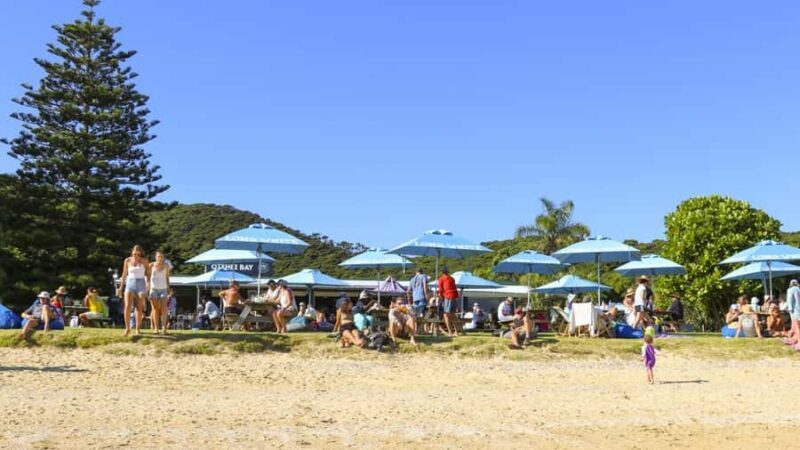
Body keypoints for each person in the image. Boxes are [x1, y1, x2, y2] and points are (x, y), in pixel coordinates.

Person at [117, 245, 150, 336]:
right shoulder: (127, 260)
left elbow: (148, 274)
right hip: (130, 282)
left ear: (140, 253)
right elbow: (124, 274)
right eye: (134, 254)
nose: (136, 256)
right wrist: (121, 287)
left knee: (139, 307)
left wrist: (148, 283)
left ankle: (138, 328)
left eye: (138, 254)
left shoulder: (144, 261)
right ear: (132, 253)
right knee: (127, 306)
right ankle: (127, 328)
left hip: (141, 283)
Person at [148, 250, 171, 334]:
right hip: (154, 289)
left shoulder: (166, 265)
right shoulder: (151, 265)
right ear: (155, 257)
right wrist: (148, 288)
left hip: (163, 288)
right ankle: (156, 328)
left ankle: (164, 328)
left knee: (164, 308)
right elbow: (148, 278)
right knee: (155, 309)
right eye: (159, 256)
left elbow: (167, 278)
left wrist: (169, 288)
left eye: (162, 257)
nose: (160, 258)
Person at [437, 266, 460, 337]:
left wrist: (441, 297)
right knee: (453, 315)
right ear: (448, 271)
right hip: (454, 296)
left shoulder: (441, 279)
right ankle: (456, 332)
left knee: (446, 315)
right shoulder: (452, 278)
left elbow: (441, 290)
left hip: (448, 296)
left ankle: (450, 332)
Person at [787, 280, 800, 344]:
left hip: (795, 310)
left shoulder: (790, 290)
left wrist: (790, 309)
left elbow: (789, 299)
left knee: (796, 326)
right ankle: (795, 339)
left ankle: (797, 341)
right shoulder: (799, 289)